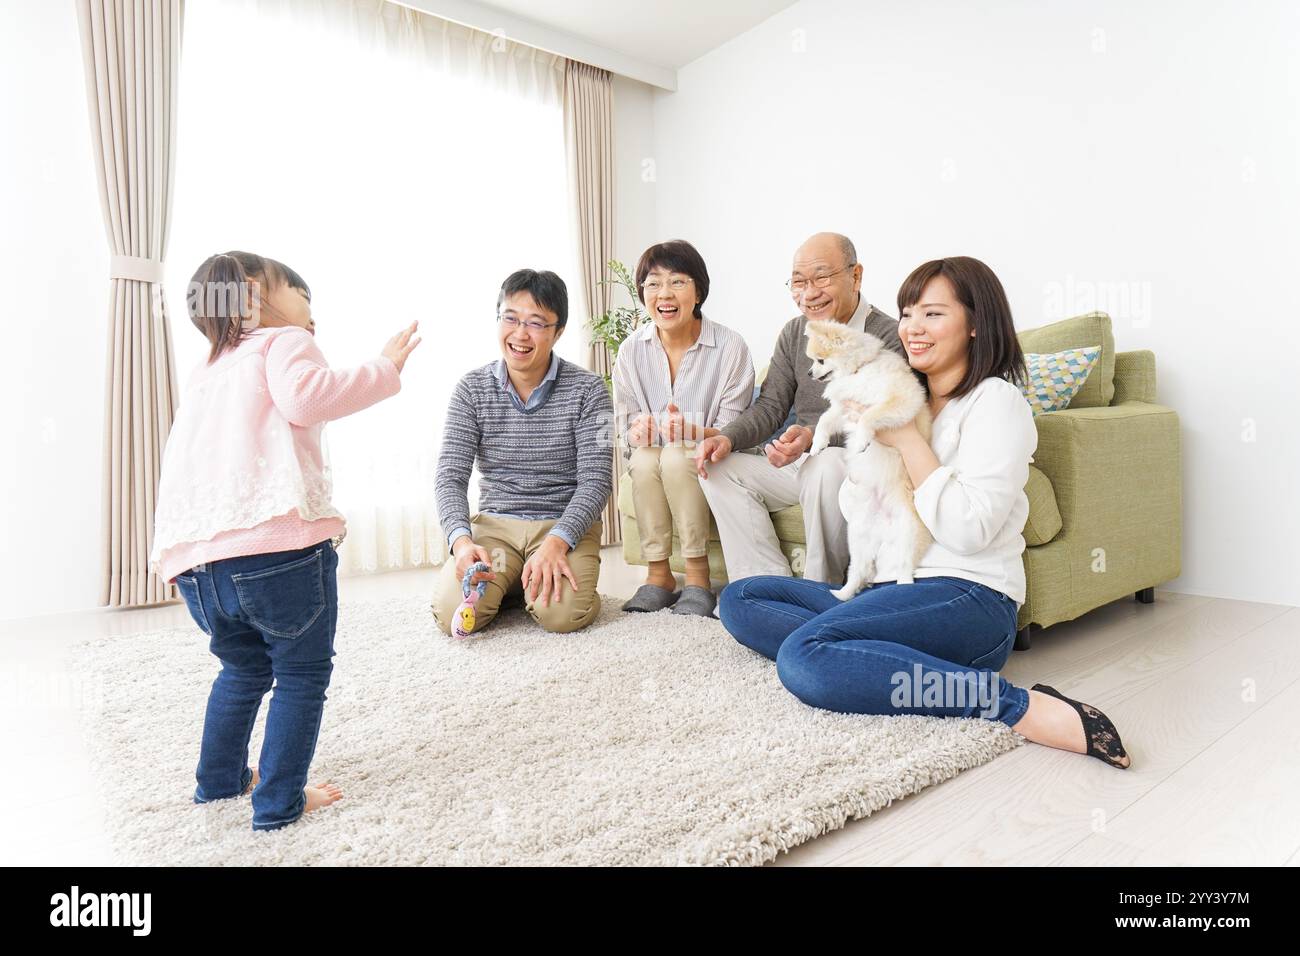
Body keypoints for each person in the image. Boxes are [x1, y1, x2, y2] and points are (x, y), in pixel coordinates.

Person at [717, 256, 1131, 769]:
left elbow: (968, 530)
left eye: (933, 314)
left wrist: (909, 440)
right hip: (892, 588)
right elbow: (860, 512)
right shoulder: (900, 397)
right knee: (740, 598)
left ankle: (1015, 706)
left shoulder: (994, 402)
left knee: (804, 659)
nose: (913, 328)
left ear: (977, 324)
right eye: (908, 313)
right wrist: (864, 450)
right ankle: (880, 653)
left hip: (968, 597)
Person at [150, 250, 421, 830]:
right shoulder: (281, 342)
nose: (309, 310)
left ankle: (219, 781)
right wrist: (384, 367)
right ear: (255, 295)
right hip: (276, 553)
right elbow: (307, 399)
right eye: (304, 296)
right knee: (301, 673)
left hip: (201, 567)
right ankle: (279, 803)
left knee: (241, 670)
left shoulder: (205, 374)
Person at [693, 232, 902, 585]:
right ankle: (765, 583)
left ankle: (820, 588)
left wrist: (811, 435)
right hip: (806, 462)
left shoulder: (888, 335)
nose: (809, 293)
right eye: (799, 282)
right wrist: (726, 439)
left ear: (856, 275)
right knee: (716, 468)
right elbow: (771, 405)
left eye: (821, 277)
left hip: (858, 465)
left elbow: (880, 418)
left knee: (826, 463)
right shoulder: (794, 333)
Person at [432, 269, 613, 635]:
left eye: (536, 323)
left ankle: (538, 578)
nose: (520, 333)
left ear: (558, 331)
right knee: (452, 612)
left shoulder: (591, 390)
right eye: (510, 318)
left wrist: (559, 540)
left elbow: (597, 482)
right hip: (497, 527)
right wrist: (462, 543)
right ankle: (512, 576)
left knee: (561, 616)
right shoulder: (471, 389)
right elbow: (449, 477)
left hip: (562, 526)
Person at [613, 240, 754, 617]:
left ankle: (697, 576)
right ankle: (658, 575)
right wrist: (636, 432)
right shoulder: (631, 351)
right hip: (655, 463)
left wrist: (692, 432)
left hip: (715, 459)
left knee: (677, 455)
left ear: (698, 291)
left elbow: (735, 429)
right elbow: (624, 426)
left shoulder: (729, 347)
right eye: (653, 283)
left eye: (677, 282)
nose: (664, 294)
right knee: (644, 459)